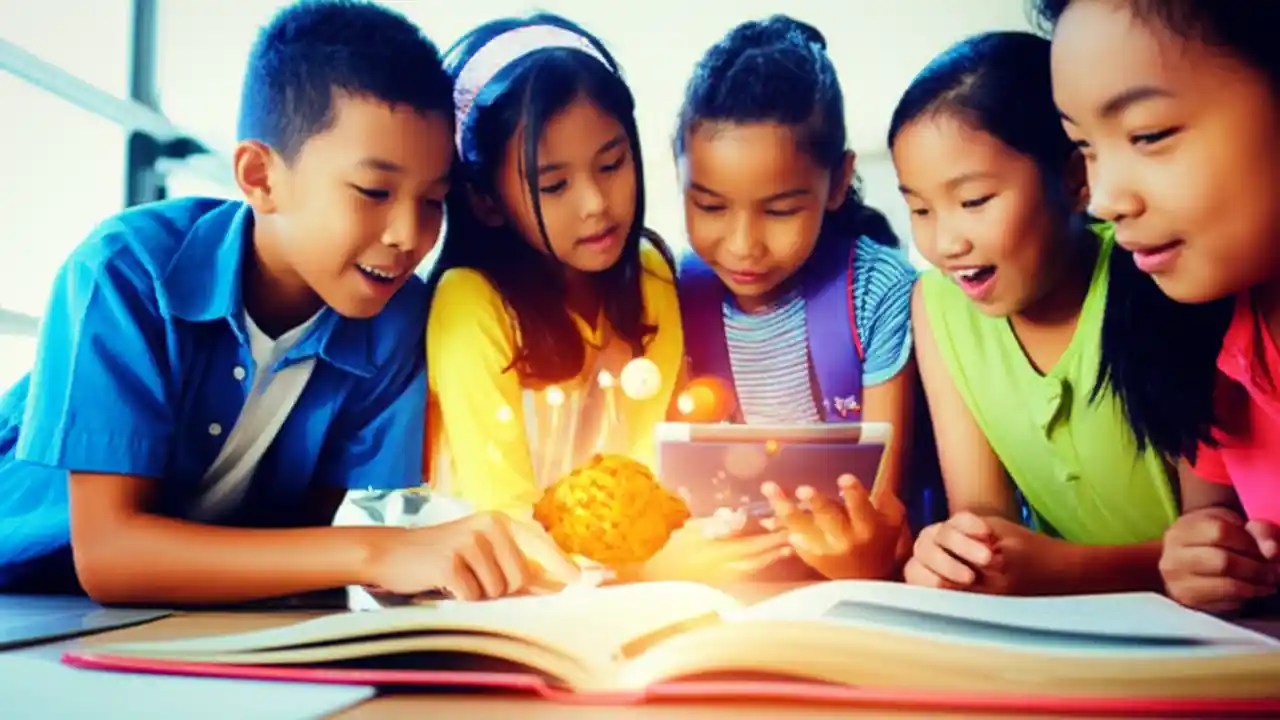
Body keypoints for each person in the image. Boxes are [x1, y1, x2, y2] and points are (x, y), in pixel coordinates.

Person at [0, 0, 575, 604]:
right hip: (27, 597)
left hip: (184, 615)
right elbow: (111, 557)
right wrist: (381, 552)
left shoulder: (397, 319)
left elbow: (305, 544)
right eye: (374, 191)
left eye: (432, 200)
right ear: (260, 177)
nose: (409, 234)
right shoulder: (128, 270)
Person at [893, 31, 1178, 595]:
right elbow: (981, 516)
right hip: (1056, 633)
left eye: (974, 201)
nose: (946, 241)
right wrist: (954, 552)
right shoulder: (938, 303)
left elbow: (1217, 546)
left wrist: (1060, 569)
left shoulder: (1157, 277)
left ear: (1074, 180)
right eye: (919, 208)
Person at [1036, 0, 1280, 612]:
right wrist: (1204, 563)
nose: (1104, 200)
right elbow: (1218, 535)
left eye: (1148, 135)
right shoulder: (1204, 337)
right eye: (1085, 147)